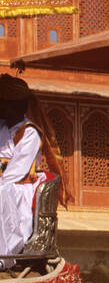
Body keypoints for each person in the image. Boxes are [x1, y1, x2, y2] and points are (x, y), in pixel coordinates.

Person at [0, 73, 49, 258]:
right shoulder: (2, 128)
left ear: (15, 106)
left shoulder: (30, 133)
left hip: (16, 188)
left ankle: (5, 256)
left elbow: (14, 173)